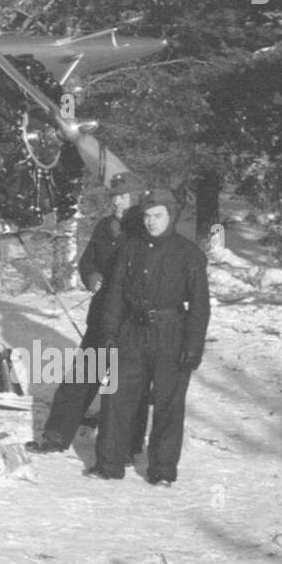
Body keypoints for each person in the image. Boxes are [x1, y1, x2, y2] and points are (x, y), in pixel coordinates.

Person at [86, 187, 210, 485]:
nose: (151, 222)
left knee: (168, 404)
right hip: (133, 331)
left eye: (158, 216)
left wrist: (193, 347)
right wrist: (110, 332)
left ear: (171, 216)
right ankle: (109, 464)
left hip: (171, 333)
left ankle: (162, 471)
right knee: (116, 397)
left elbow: (200, 306)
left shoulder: (189, 253)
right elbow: (115, 293)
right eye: (147, 216)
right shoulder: (130, 248)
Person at [29, 171, 146, 454]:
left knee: (125, 385)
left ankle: (126, 447)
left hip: (130, 319)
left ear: (136, 197)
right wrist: (91, 276)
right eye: (114, 197)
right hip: (102, 312)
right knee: (81, 376)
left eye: (123, 196)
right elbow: (88, 259)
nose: (117, 202)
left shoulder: (144, 228)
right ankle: (55, 438)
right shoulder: (105, 227)